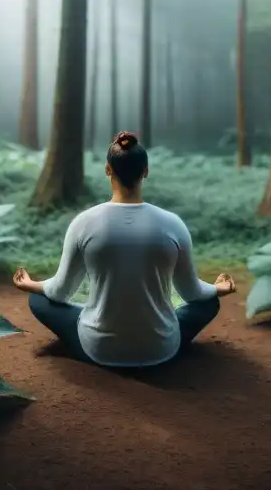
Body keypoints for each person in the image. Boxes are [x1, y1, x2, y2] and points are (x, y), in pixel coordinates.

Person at [12, 130, 237, 368]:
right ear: (146, 171)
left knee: (38, 301)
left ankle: (91, 326)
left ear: (108, 170)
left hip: (99, 348)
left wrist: (31, 285)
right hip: (161, 348)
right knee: (209, 302)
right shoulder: (173, 224)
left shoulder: (84, 222)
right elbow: (192, 293)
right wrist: (217, 288)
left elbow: (59, 292)